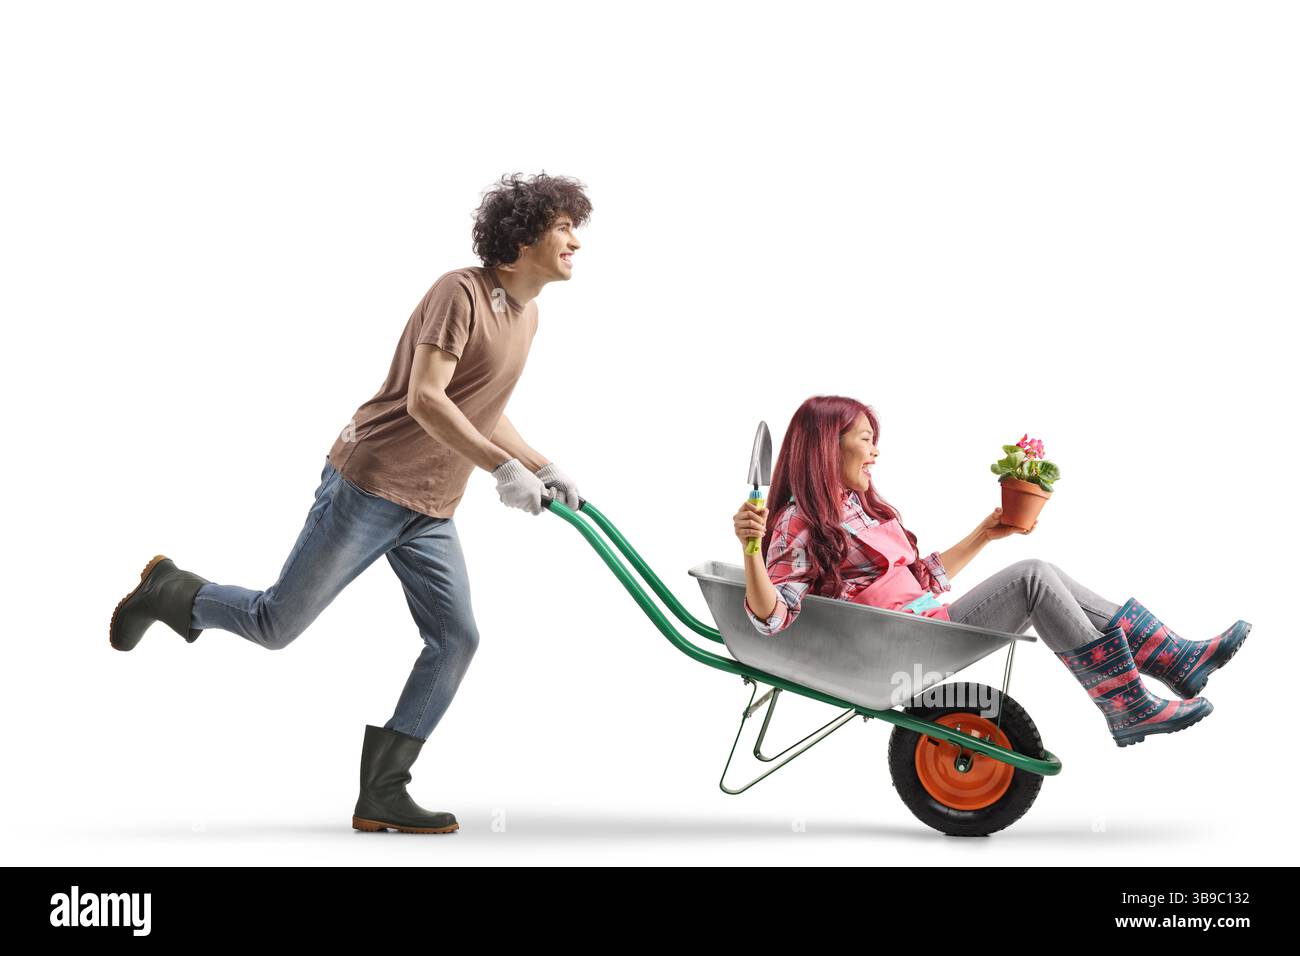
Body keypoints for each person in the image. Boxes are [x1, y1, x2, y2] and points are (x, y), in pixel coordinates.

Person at [109, 171, 592, 832]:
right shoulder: (461, 293)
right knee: (275, 624)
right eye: (563, 226)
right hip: (370, 484)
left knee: (455, 639)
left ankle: (383, 792)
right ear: (521, 238)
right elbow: (427, 397)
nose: (576, 241)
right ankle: (173, 592)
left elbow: (482, 408)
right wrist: (502, 468)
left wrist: (541, 463)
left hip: (430, 507)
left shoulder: (527, 316)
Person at [731, 395, 1251, 747]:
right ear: (827, 444)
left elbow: (920, 578)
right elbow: (771, 620)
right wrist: (752, 550)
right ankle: (1133, 696)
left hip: (922, 622)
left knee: (1038, 570)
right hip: (899, 642)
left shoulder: (858, 505)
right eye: (865, 438)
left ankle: (1170, 665)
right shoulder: (797, 522)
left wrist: (984, 534)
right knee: (1032, 578)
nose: (875, 451)